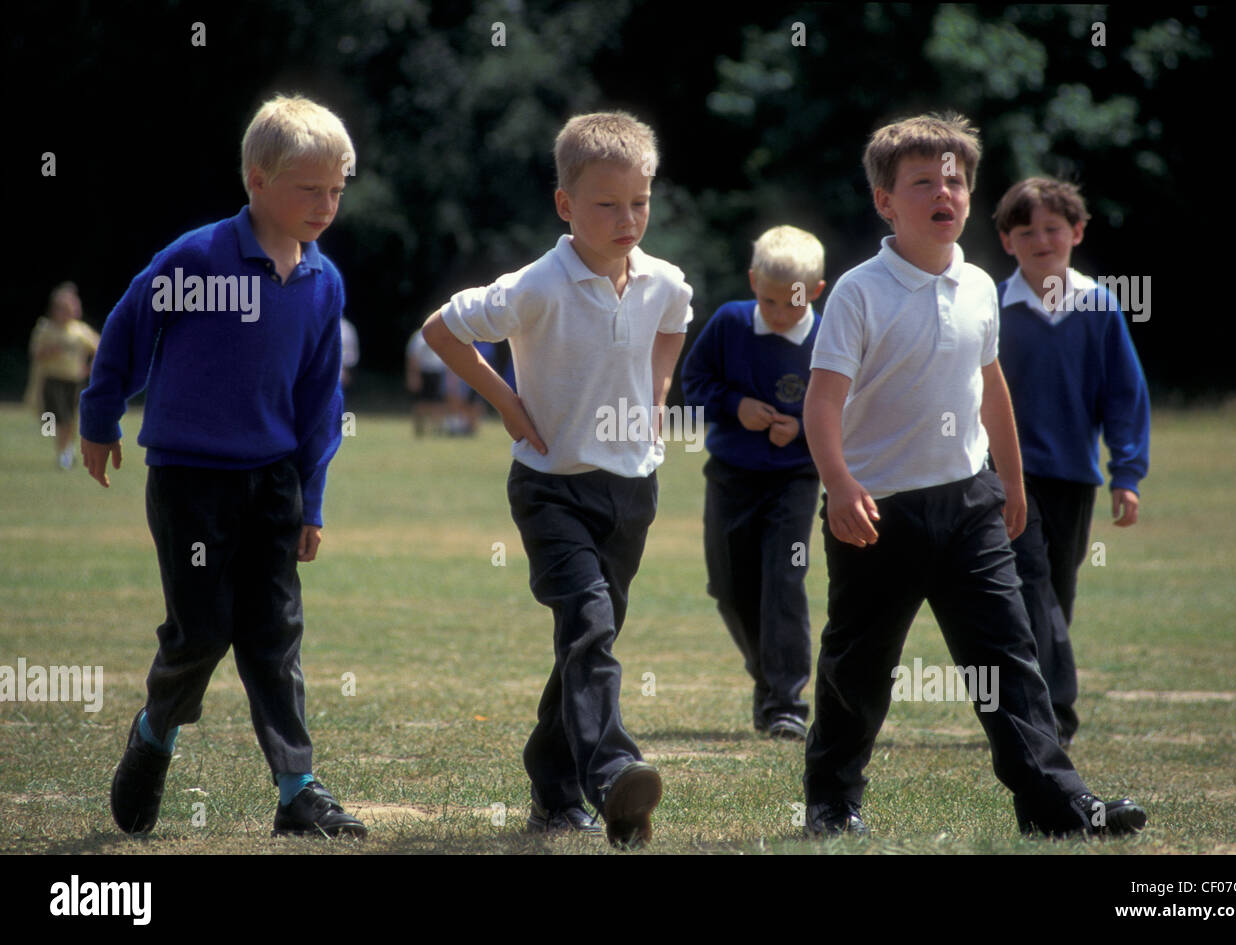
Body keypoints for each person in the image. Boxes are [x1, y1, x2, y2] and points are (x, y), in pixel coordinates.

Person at [800, 113, 1146, 838]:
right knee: (859, 667)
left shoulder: (982, 285)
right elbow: (822, 402)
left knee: (1010, 658)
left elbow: (992, 389)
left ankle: (1055, 804)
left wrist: (1012, 484)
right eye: (922, 181)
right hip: (878, 510)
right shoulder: (861, 293)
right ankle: (832, 802)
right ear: (885, 201)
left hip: (971, 505)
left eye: (954, 179)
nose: (943, 192)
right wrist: (838, 483)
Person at [80, 94, 366, 839]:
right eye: (310, 189)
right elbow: (125, 329)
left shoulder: (322, 282)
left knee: (274, 632)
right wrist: (99, 417)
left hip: (272, 481)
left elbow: (317, 402)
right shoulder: (197, 257)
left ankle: (298, 788)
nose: (325, 204)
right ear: (257, 181)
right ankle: (153, 735)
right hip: (188, 478)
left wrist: (312, 499)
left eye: (336, 190)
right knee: (201, 631)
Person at [421, 111, 693, 847]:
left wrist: (660, 390)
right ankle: (612, 777)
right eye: (607, 204)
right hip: (551, 488)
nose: (627, 217)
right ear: (565, 204)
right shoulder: (534, 285)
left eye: (639, 201)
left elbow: (676, 320)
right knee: (592, 629)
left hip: (634, 488)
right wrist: (506, 400)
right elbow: (439, 329)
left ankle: (551, 781)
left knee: (585, 645)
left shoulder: (662, 279)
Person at [993, 177, 1150, 747]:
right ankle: (1055, 713)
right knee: (1029, 581)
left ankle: (1029, 703)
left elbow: (1124, 397)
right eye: (1026, 231)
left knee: (1055, 593)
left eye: (1053, 228)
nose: (1041, 240)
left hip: (1075, 478)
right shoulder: (992, 307)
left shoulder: (1100, 308)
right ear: (1007, 241)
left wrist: (1126, 474)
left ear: (1077, 233)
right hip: (1006, 475)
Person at [681, 225, 826, 741]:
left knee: (783, 582)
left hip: (795, 479)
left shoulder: (830, 337)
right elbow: (692, 385)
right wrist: (733, 406)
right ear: (751, 282)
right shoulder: (729, 323)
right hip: (730, 476)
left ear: (815, 291)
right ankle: (768, 675)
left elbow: (853, 409)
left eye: (789, 304)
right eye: (766, 300)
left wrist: (804, 429)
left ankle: (787, 702)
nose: (778, 314)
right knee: (728, 587)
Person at [25, 282, 100, 469]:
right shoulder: (46, 329)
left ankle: (67, 448)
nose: (68, 312)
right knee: (57, 419)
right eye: (63, 309)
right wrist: (51, 351)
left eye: (71, 308)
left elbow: (98, 348)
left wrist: (90, 367)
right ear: (55, 310)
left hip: (74, 381)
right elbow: (35, 354)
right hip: (53, 380)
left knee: (71, 418)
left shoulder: (79, 331)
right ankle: (62, 453)